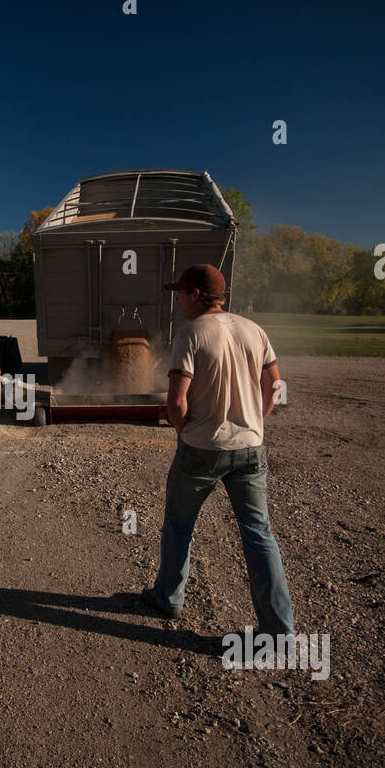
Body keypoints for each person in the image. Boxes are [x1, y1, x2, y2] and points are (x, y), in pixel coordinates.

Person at [139, 264, 294, 637]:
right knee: (259, 534)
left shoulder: (190, 333)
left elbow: (176, 401)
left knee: (179, 525)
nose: (177, 300)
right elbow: (275, 386)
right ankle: (278, 630)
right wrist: (256, 420)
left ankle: (169, 597)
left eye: (180, 292)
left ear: (195, 293)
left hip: (201, 448)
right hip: (251, 447)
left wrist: (183, 431)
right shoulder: (254, 330)